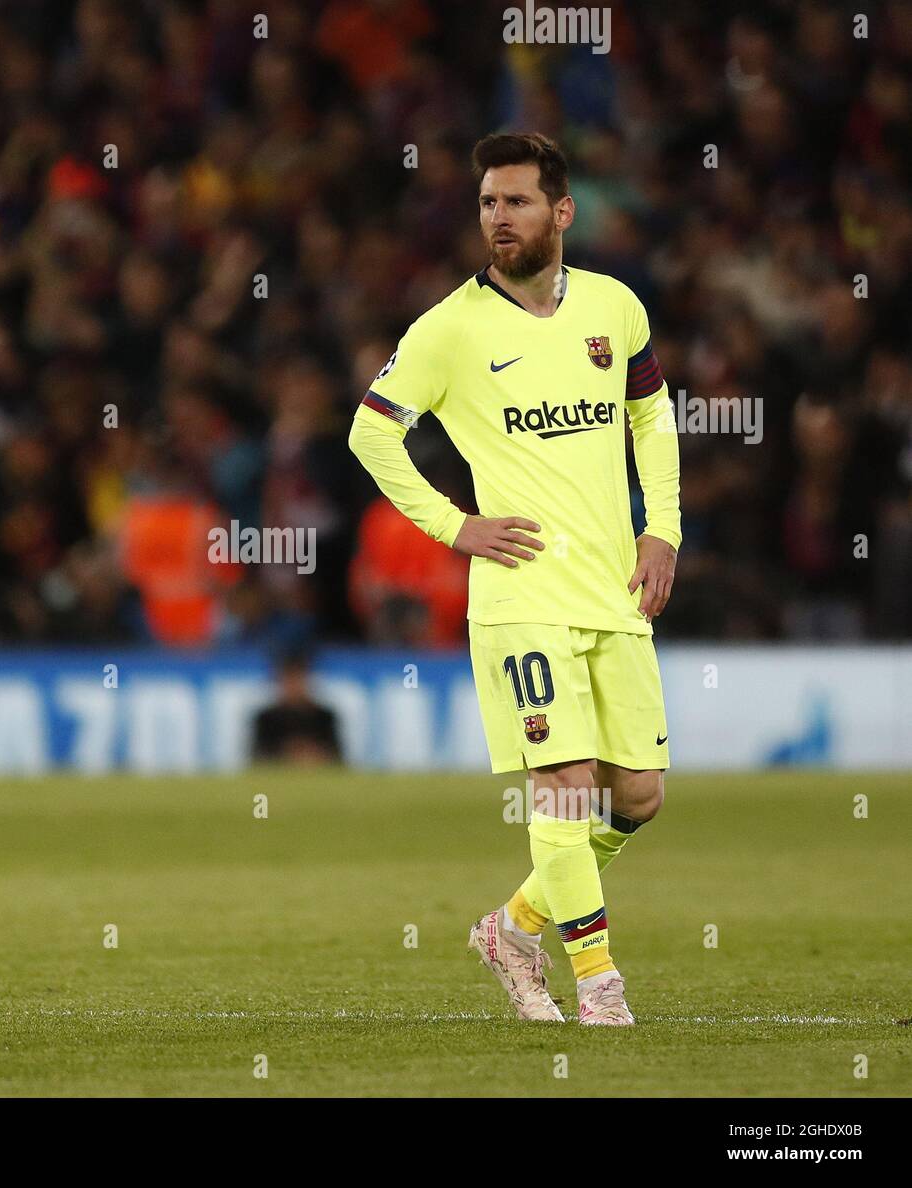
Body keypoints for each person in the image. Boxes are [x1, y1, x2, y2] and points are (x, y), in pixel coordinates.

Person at [347, 132, 681, 1026]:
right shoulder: (450, 327)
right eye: (489, 202)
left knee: (637, 797)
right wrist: (457, 527)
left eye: (518, 202)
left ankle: (513, 926)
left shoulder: (615, 308)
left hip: (612, 589)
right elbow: (370, 432)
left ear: (562, 213)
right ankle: (600, 987)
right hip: (520, 597)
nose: (499, 217)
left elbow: (652, 418)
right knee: (565, 785)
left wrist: (663, 530)